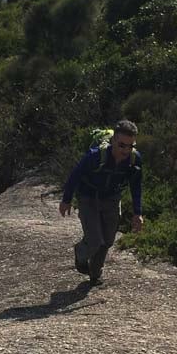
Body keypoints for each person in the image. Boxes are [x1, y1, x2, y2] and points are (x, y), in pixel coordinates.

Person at [59, 120, 143, 285]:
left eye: (130, 146)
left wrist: (137, 213)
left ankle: (95, 273)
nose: (126, 150)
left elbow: (136, 186)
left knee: (108, 240)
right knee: (95, 240)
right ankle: (80, 253)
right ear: (113, 140)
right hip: (88, 198)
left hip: (112, 199)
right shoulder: (96, 155)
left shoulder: (134, 159)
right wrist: (66, 200)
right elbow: (75, 175)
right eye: (121, 145)